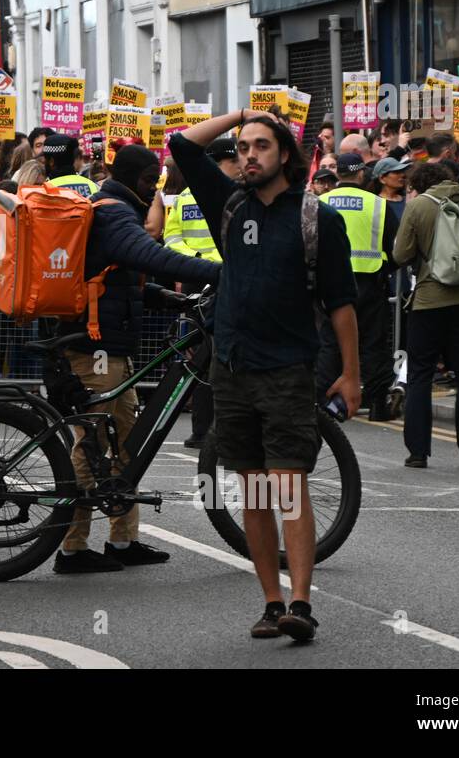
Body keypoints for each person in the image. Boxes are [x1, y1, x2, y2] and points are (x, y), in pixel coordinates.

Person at [171, 108, 359, 643]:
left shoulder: (317, 219)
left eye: (261, 146)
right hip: (230, 369)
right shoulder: (228, 205)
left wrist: (350, 374)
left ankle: (301, 602)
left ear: (285, 157)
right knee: (251, 491)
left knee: (290, 487)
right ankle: (272, 603)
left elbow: (341, 304)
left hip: (286, 371)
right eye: (243, 146)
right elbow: (182, 146)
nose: (249, 155)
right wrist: (242, 114)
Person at [52, 144, 221, 574]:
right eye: (149, 180)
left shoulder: (117, 208)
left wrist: (164, 297)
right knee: (90, 443)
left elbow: (118, 278)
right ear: (130, 177)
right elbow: (148, 256)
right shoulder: (112, 210)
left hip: (112, 347)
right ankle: (72, 548)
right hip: (95, 350)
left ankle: (123, 540)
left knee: (128, 441)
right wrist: (222, 271)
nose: (154, 188)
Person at [393, 162, 459, 468]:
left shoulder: (419, 206)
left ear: (420, 184)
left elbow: (401, 255)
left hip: (428, 301)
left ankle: (418, 453)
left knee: (421, 375)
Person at [162, 138, 235, 450]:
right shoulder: (230, 195)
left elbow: (171, 238)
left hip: (195, 278)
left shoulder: (184, 198)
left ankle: (201, 431)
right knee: (222, 357)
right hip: (224, 278)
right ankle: (220, 431)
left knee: (199, 358)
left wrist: (194, 260)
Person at [316, 153, 399, 422]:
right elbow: (395, 249)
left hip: (328, 284)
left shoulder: (318, 202)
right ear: (361, 173)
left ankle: (322, 404)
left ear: (337, 173)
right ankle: (377, 406)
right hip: (369, 283)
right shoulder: (379, 205)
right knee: (373, 345)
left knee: (329, 343)